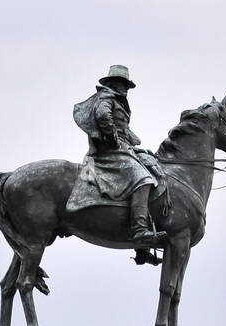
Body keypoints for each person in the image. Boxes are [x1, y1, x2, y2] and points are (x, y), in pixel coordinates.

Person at [71, 65, 168, 248]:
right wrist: (114, 139)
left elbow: (120, 126)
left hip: (123, 148)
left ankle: (142, 247)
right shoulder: (106, 98)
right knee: (143, 178)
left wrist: (131, 138)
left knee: (152, 166)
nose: (126, 89)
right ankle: (140, 230)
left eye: (127, 85)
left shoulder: (118, 101)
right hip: (109, 152)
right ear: (114, 82)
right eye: (123, 84)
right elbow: (102, 116)